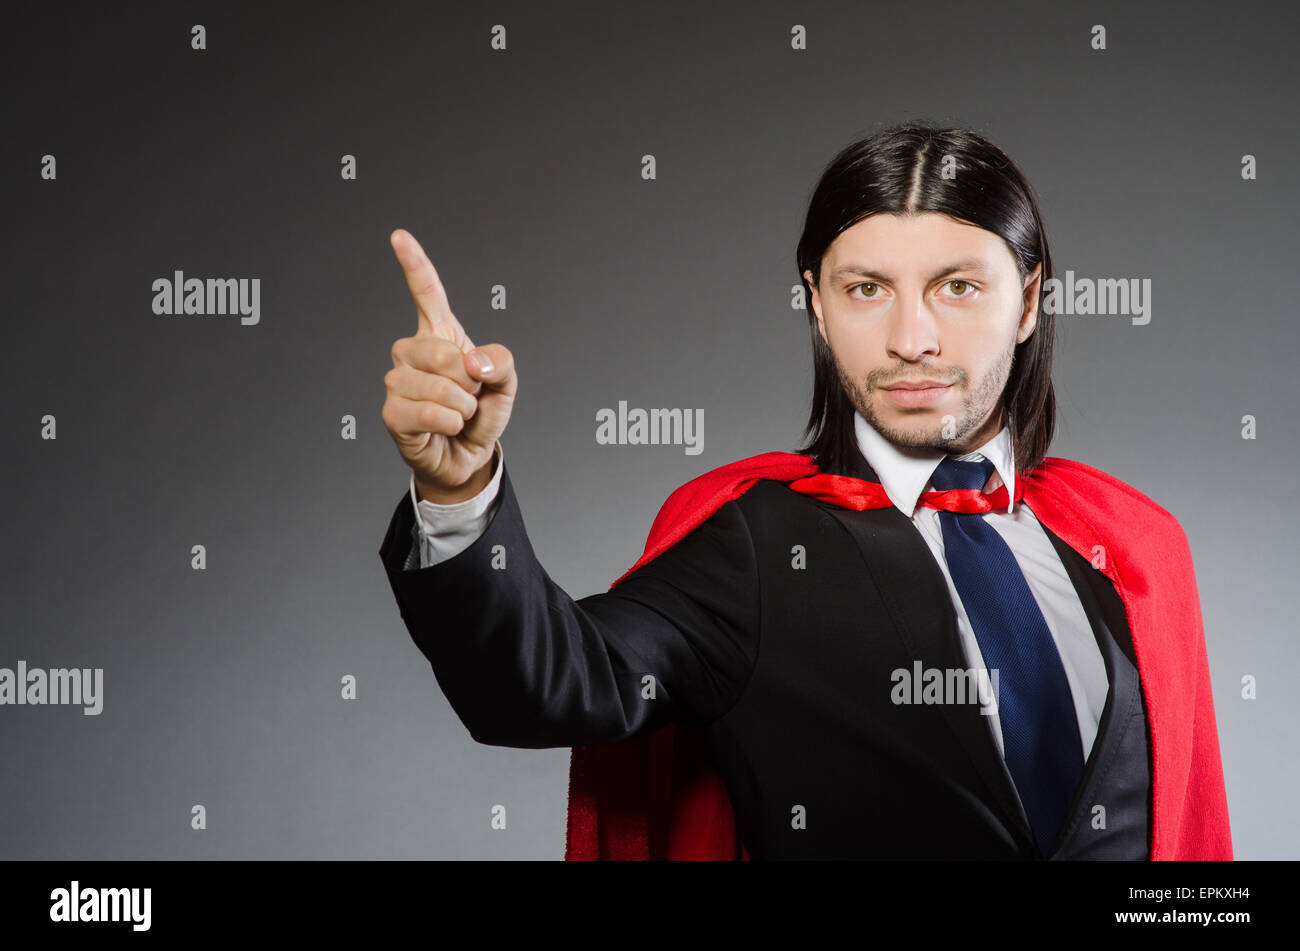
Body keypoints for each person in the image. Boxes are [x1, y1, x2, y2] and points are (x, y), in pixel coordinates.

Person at [377, 123, 1232, 861]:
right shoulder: (752, 540)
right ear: (818, 307)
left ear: (1029, 299)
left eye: (958, 286)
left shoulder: (1134, 545)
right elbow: (550, 685)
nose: (912, 338)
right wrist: (457, 490)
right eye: (867, 289)